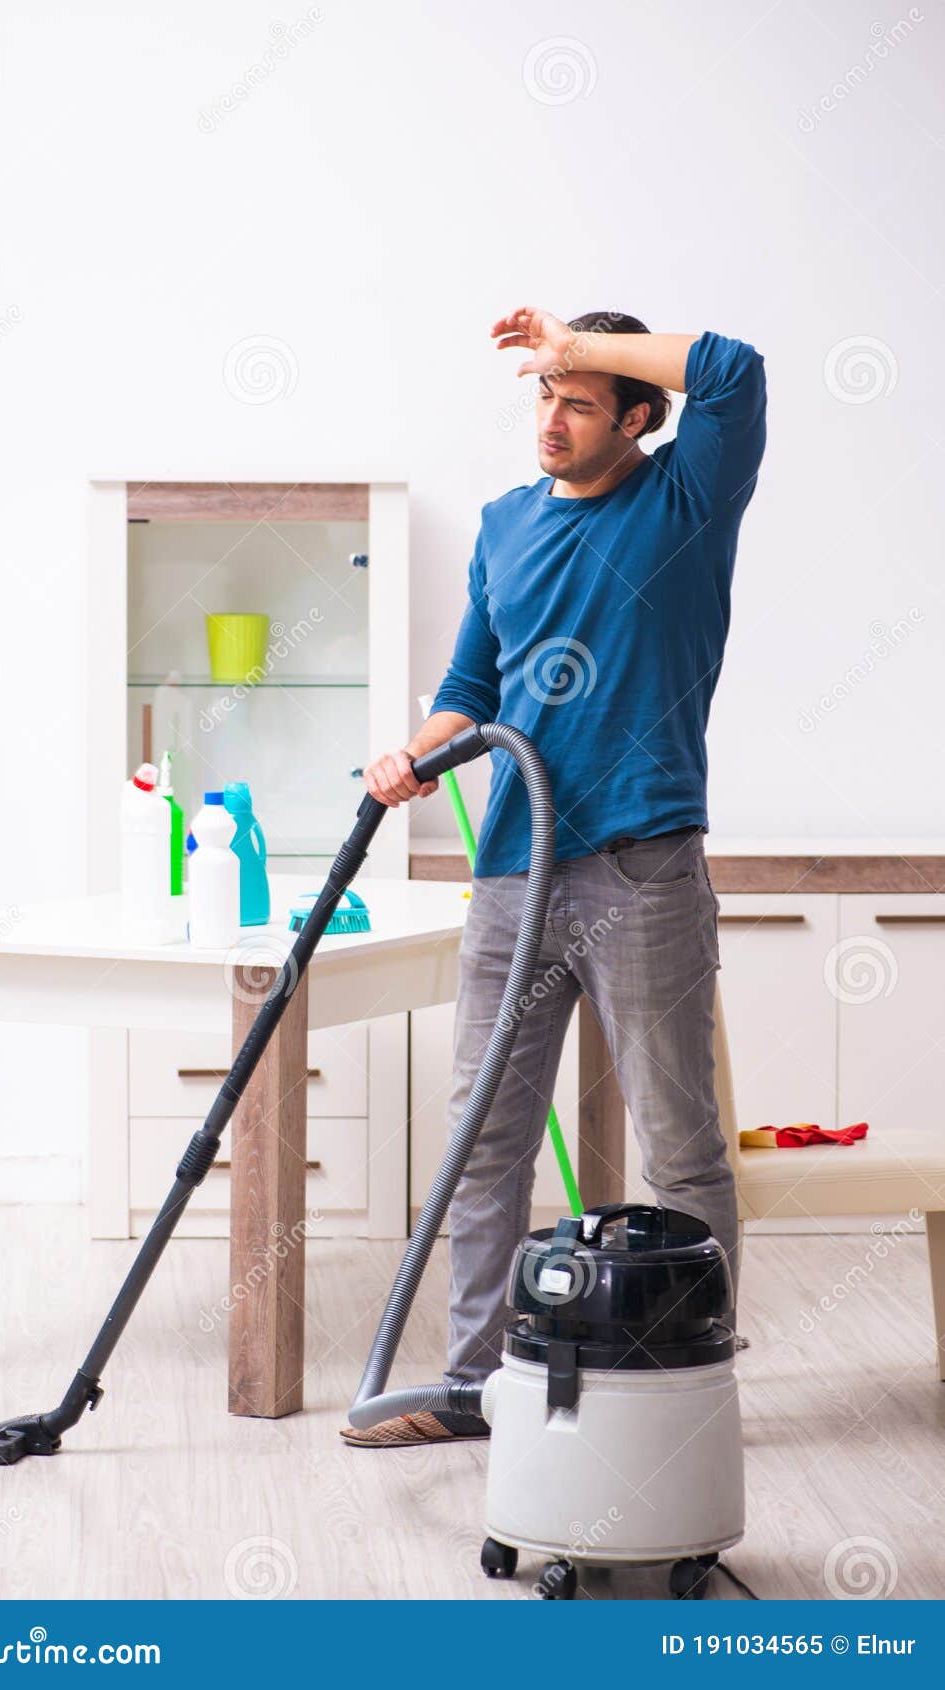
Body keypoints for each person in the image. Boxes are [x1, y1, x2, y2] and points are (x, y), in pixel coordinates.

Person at [341, 306, 767, 1448]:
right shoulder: (505, 524)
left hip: (642, 870)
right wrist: (413, 756)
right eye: (544, 395)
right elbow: (470, 686)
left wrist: (579, 337)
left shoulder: (682, 502)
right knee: (485, 1137)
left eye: (577, 399)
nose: (552, 417)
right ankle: (472, 1386)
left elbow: (734, 370)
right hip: (513, 877)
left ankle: (695, 1385)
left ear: (636, 414)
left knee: (677, 1140)